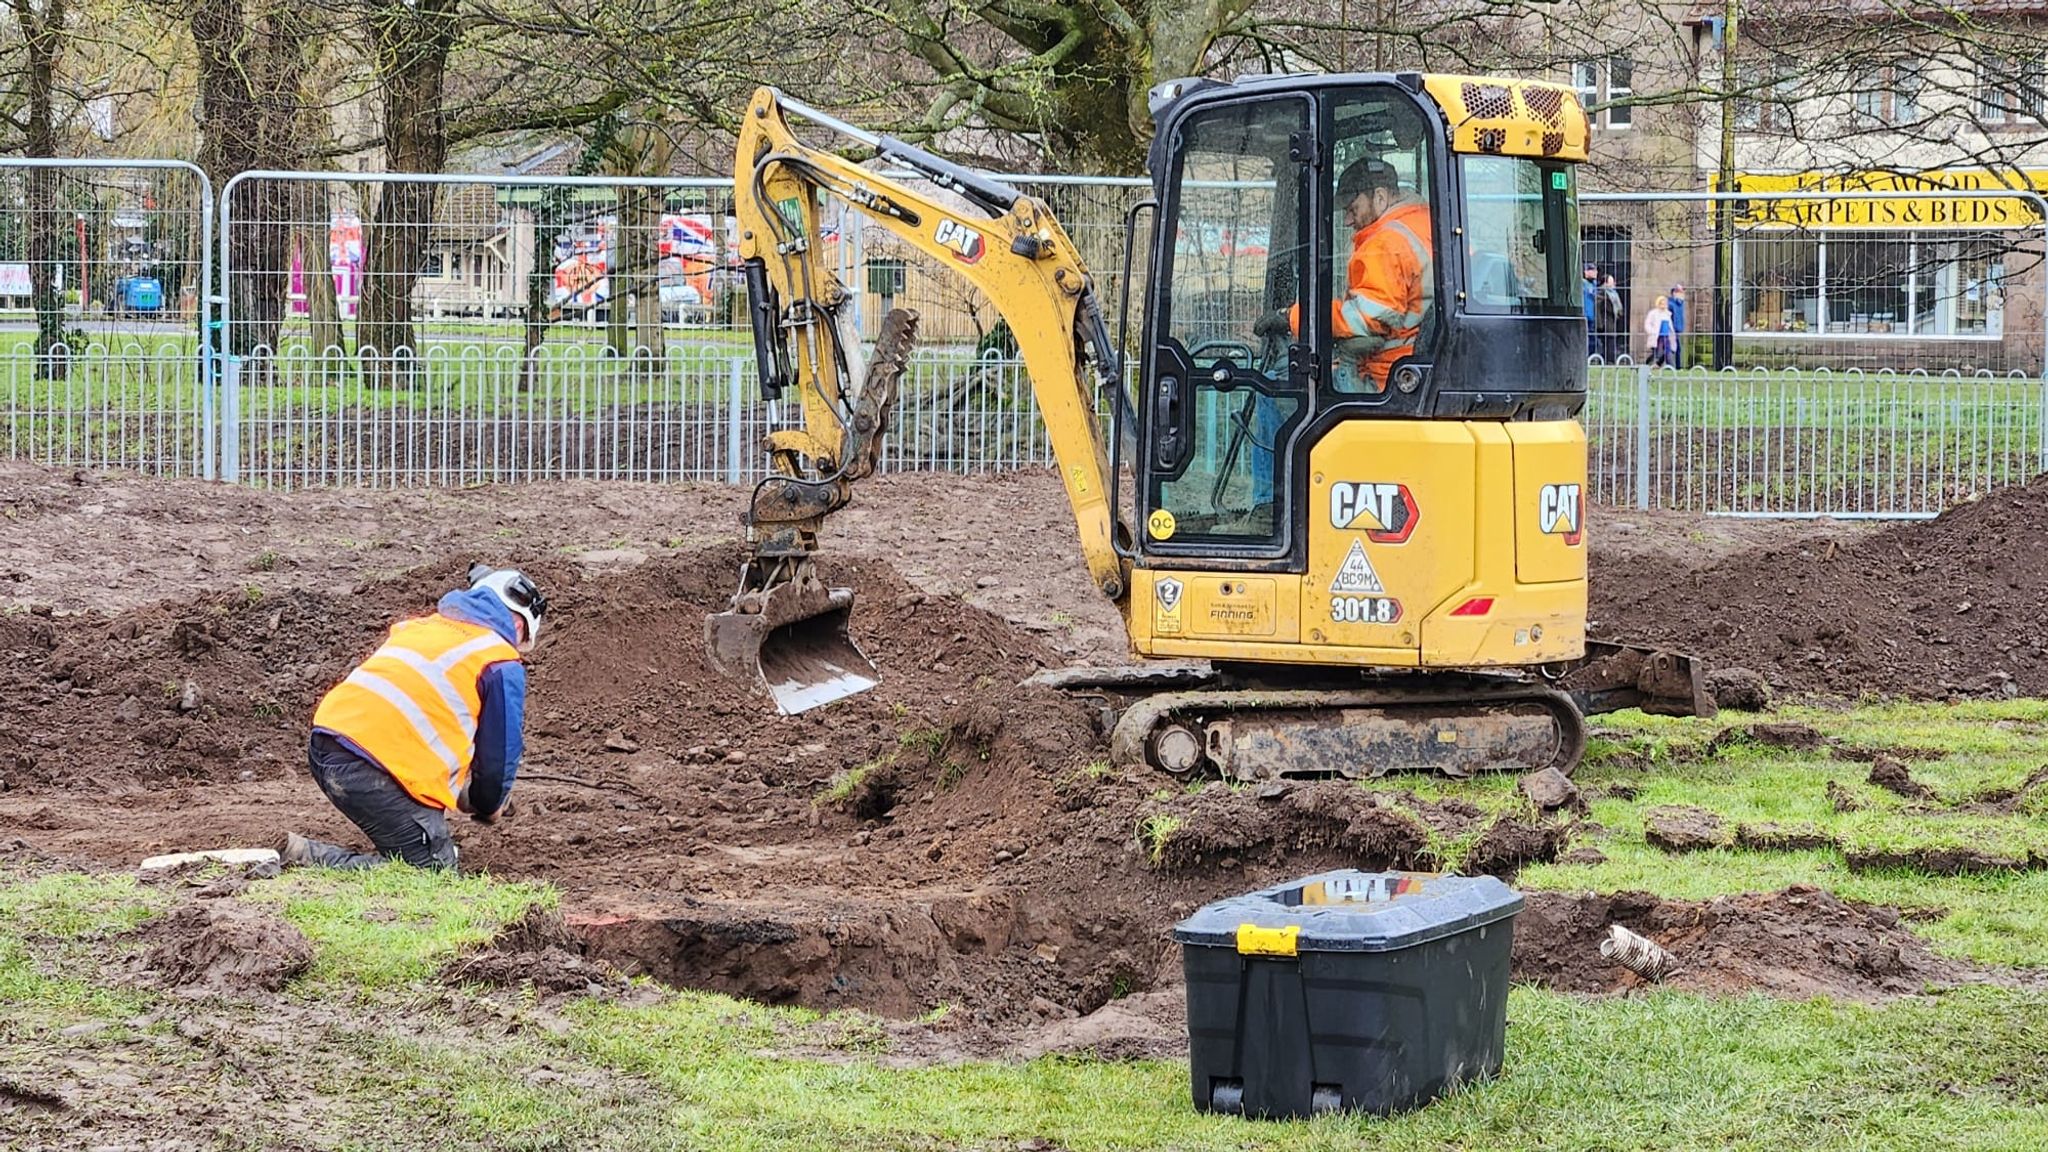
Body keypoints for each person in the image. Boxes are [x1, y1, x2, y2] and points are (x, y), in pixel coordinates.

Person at [279, 564, 546, 871]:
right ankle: (304, 857)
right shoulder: (499, 659)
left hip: (327, 744)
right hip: (374, 770)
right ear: (517, 621)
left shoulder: (422, 627)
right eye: (522, 634)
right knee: (432, 871)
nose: (517, 645)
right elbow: (499, 754)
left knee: (421, 837)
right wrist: (488, 803)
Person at [1263, 156, 1433, 394]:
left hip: (1386, 377)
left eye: (1353, 209)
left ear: (1380, 197)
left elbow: (1368, 318)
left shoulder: (1386, 243)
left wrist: (1293, 316)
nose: (1348, 220)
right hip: (1417, 370)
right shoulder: (1428, 224)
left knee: (1275, 385)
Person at [1596, 274, 1625, 364]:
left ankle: (1609, 359)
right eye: (1611, 282)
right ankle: (1609, 360)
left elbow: (1618, 308)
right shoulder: (1601, 293)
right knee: (1608, 341)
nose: (1614, 284)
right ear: (1605, 283)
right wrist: (1600, 324)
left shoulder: (1614, 294)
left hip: (1613, 321)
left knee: (1611, 340)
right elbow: (1598, 309)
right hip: (1605, 322)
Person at [1643, 295, 1675, 368]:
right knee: (1658, 353)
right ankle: (1647, 364)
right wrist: (1651, 331)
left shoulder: (1667, 314)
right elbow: (1647, 324)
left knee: (1668, 351)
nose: (1663, 305)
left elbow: (1670, 326)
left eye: (1665, 304)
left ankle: (1671, 367)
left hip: (1666, 336)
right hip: (1657, 336)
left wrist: (1672, 335)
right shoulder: (1653, 313)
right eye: (1661, 303)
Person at [1667, 284, 1688, 368]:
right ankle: (1674, 366)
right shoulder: (1670, 303)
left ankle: (1677, 366)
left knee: (1676, 348)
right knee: (1672, 348)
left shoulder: (1680, 303)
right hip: (1671, 329)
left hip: (1678, 329)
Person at [1582, 263, 1600, 360]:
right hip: (1585, 315)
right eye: (1592, 270)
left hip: (1593, 316)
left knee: (1592, 338)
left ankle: (1591, 357)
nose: (1595, 273)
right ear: (1586, 272)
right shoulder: (1583, 284)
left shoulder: (1594, 285)